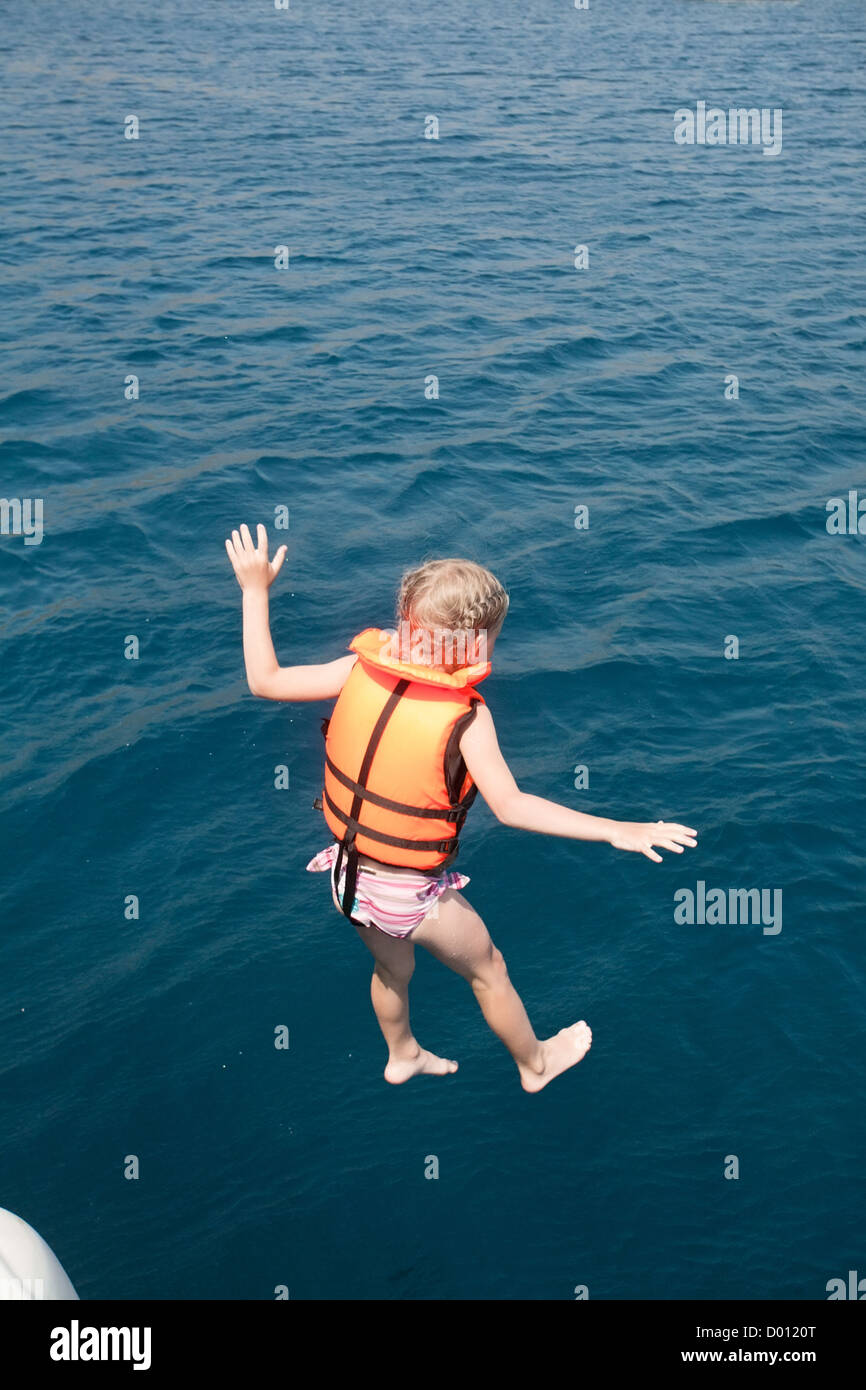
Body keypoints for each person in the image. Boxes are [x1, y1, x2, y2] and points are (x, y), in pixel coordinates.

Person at [226, 525, 698, 1091]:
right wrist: (615, 829)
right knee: (489, 971)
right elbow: (512, 806)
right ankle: (536, 1065)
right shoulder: (467, 717)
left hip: (347, 876)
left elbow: (266, 680)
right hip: (408, 891)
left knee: (392, 970)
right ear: (475, 644)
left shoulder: (358, 669)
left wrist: (255, 590)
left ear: (407, 620)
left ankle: (402, 1055)